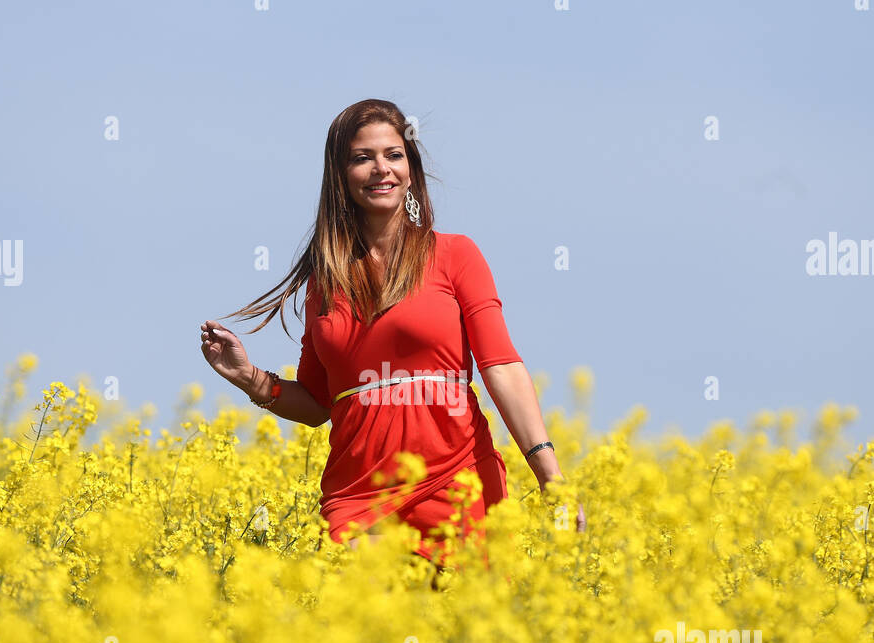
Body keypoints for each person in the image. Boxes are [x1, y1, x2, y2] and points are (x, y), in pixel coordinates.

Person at [200, 98, 585, 573]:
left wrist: (550, 475)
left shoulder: (456, 255)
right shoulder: (325, 281)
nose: (381, 168)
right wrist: (250, 378)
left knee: (462, 637)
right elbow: (320, 402)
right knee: (360, 627)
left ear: (410, 166)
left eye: (394, 155)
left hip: (456, 477)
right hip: (357, 493)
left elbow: (500, 365)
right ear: (340, 175)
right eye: (363, 158)